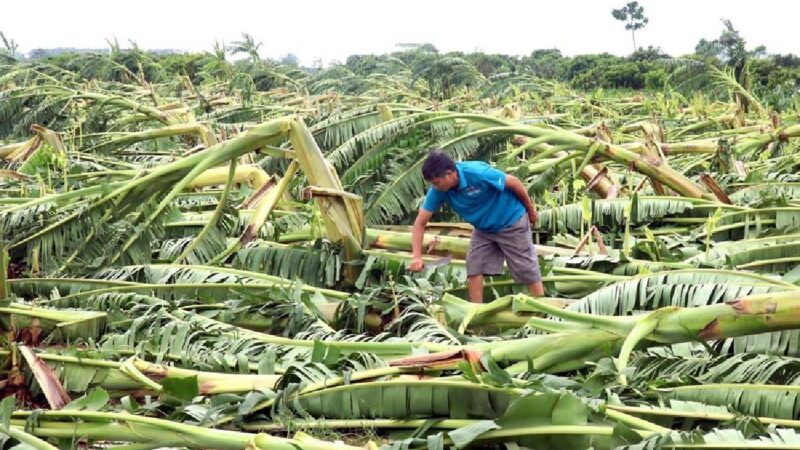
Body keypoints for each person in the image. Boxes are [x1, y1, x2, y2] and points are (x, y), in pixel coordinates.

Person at [408, 150, 544, 303]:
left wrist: (531, 211)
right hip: (483, 229)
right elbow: (420, 223)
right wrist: (416, 257)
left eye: (436, 182)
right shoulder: (439, 190)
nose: (435, 187)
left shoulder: (477, 173)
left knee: (526, 268)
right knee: (474, 267)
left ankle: (541, 308)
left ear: (449, 174)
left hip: (511, 221)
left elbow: (513, 182)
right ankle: (475, 311)